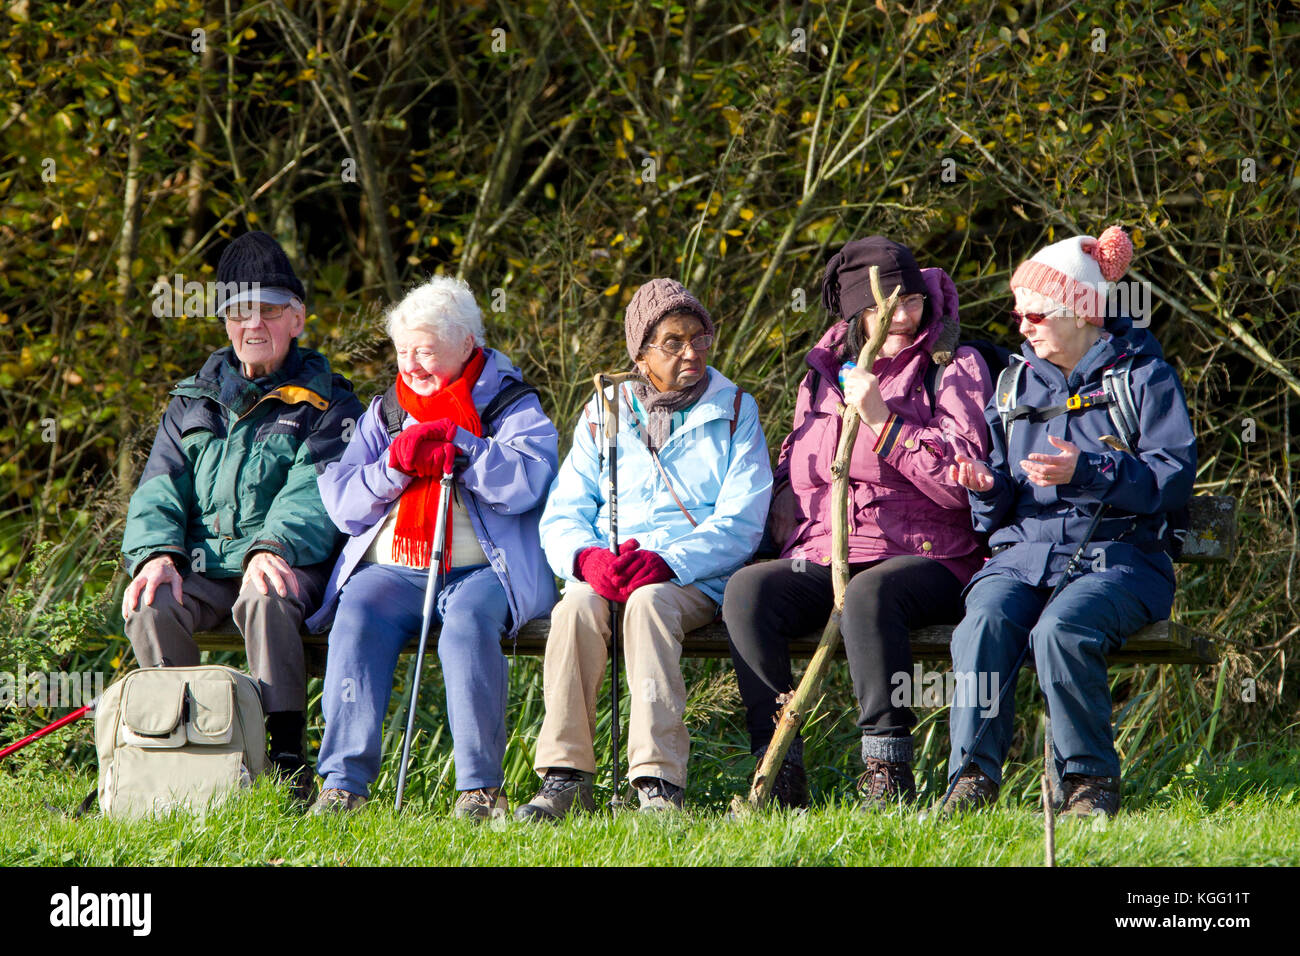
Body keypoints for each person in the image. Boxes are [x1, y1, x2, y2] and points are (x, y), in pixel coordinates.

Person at [723, 236, 995, 809]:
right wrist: (778, 501)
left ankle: (887, 775)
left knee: (871, 595)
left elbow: (960, 483)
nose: (900, 316)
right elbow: (798, 462)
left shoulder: (952, 364)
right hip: (828, 554)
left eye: (911, 300)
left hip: (930, 555)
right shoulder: (822, 373)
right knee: (749, 592)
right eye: (881, 305)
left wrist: (882, 422)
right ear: (853, 311)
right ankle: (779, 775)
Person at [944, 225, 1196, 818]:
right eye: (1019, 313)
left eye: (1034, 314)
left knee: (1060, 631)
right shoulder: (1011, 386)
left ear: (1081, 313)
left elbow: (1172, 477)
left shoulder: (1143, 378)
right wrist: (985, 485)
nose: (1022, 326)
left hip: (1122, 562)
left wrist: (1089, 469)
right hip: (1024, 557)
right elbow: (997, 510)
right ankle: (971, 780)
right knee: (981, 621)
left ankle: (1088, 786)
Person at [517, 278, 772, 819]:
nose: (691, 353)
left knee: (650, 604)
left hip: (692, 579)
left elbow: (743, 520)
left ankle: (657, 783)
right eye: (673, 342)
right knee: (576, 608)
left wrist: (667, 562)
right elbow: (564, 512)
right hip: (610, 572)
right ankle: (565, 776)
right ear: (641, 351)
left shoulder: (735, 409)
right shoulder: (604, 409)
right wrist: (587, 560)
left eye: (699, 338)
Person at [121, 231, 364, 799]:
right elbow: (158, 488)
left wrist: (270, 546)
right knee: (150, 602)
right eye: (239, 312)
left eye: (269, 311)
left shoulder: (332, 402)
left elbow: (318, 492)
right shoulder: (192, 400)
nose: (253, 325)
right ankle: (185, 748)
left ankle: (284, 759)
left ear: (297, 319)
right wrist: (157, 554)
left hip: (290, 565)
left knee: (265, 594)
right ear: (226, 323)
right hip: (206, 569)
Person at [306, 276, 559, 819]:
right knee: (358, 610)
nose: (412, 364)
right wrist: (394, 466)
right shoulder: (386, 411)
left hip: (483, 571)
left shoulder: (511, 402)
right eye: (403, 351)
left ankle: (479, 788)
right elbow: (344, 503)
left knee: (467, 625)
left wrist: (464, 449)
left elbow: (529, 483)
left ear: (466, 344)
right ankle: (342, 783)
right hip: (398, 569)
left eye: (424, 350)